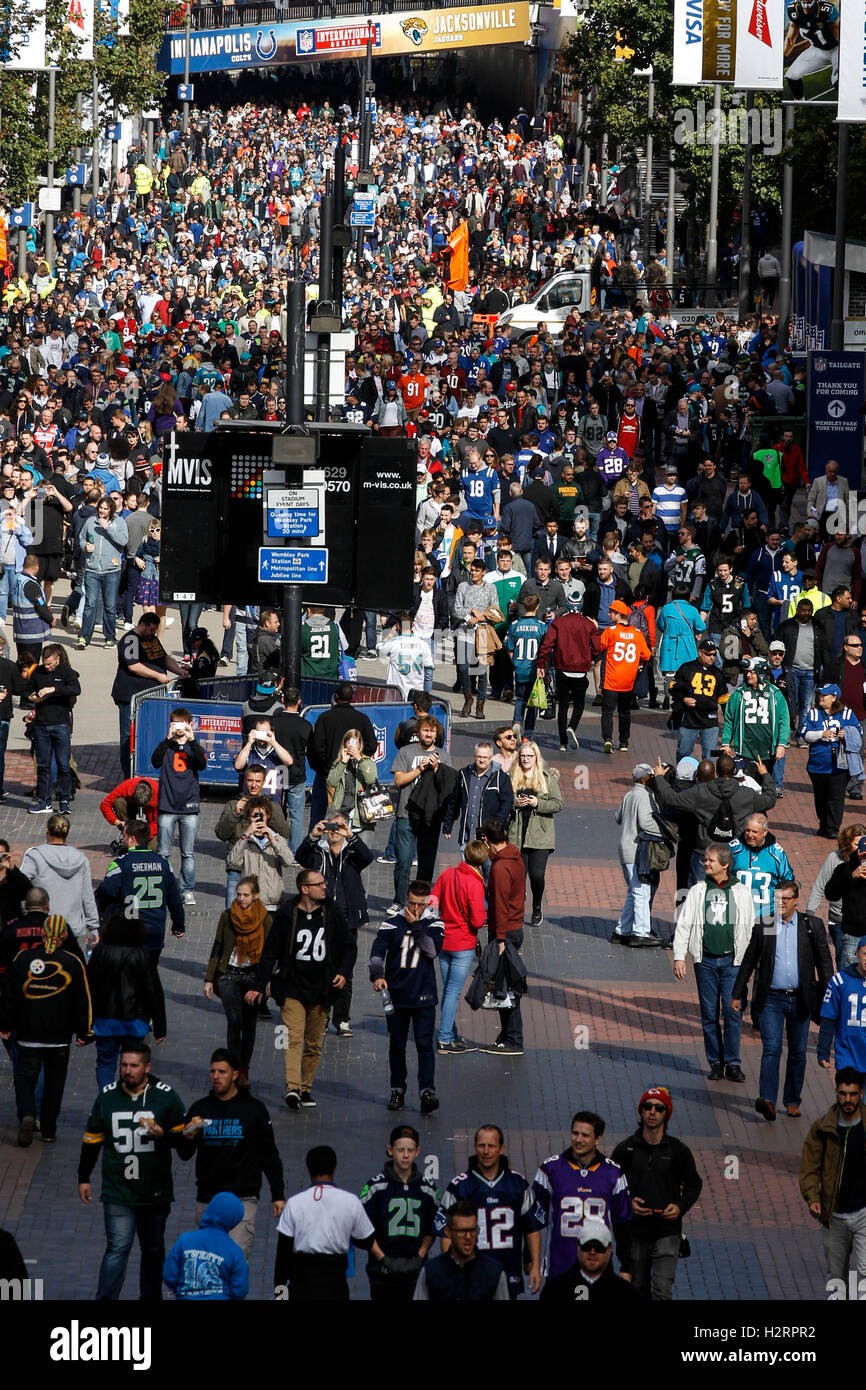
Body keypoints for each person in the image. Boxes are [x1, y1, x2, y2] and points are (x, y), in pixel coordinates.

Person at [77, 1039, 186, 1301]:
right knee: (117, 1249)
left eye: (134, 1066)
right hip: (118, 1190)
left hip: (154, 1191)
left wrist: (163, 1136)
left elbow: (183, 1146)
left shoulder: (166, 1096)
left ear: (147, 1067)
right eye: (124, 1065)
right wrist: (84, 1176)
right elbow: (92, 1139)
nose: (127, 1070)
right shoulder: (107, 1096)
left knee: (153, 1251)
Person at [246, 867, 355, 1111]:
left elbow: (349, 946)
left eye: (324, 883)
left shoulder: (332, 912)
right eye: (319, 884)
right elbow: (270, 952)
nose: (324, 887)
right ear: (305, 889)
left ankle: (305, 1088)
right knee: (292, 1039)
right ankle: (292, 1088)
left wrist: (343, 972)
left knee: (314, 1043)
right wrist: (259, 984)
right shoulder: (287, 914)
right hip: (292, 987)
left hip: (321, 989)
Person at [731, 881, 832, 1121]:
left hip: (801, 999)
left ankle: (792, 1100)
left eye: (786, 899)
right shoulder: (765, 924)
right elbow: (749, 960)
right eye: (778, 899)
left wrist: (829, 997)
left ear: (796, 900)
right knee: (772, 1048)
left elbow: (824, 965)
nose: (782, 903)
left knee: (797, 1052)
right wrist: (738, 993)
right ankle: (768, 1100)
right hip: (771, 1000)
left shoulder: (812, 926)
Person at [175, 1049, 285, 1259]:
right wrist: (187, 1136)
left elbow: (268, 1154)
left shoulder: (254, 1109)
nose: (216, 1077)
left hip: (242, 1200)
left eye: (222, 1072)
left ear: (235, 1074)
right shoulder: (200, 1109)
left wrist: (277, 1193)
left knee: (234, 1260)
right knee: (209, 1263)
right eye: (212, 1072)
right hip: (208, 1200)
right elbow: (184, 1154)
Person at [0, 912, 92, 1146]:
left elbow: (10, 994)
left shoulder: (23, 957)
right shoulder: (73, 962)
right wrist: (85, 1032)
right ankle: (49, 1128)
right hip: (59, 1037)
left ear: (42, 932)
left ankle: (28, 1113)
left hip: (28, 1033)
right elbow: (83, 1001)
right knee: (55, 1082)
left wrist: (5, 1024)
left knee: (25, 1077)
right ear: (63, 936)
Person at [611, 1087, 703, 1301]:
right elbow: (610, 1187)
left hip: (667, 1232)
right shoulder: (625, 1149)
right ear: (641, 1111)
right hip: (634, 1231)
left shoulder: (678, 1151)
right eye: (647, 1107)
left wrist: (680, 1207)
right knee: (636, 1288)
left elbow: (694, 1184)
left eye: (658, 1108)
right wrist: (628, 1202)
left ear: (666, 1114)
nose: (652, 1112)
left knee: (662, 1291)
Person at [672, 843, 755, 1082]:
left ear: (725, 865)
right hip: (705, 963)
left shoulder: (740, 892)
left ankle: (733, 1063)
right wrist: (680, 956)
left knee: (732, 1012)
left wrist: (747, 965)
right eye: (706, 860)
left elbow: (749, 929)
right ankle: (715, 1062)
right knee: (709, 1014)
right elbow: (685, 923)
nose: (705, 863)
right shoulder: (698, 890)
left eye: (710, 860)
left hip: (732, 963)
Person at [435, 1123, 543, 1299]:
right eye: (481, 1145)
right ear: (475, 1147)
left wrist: (535, 1265)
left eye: (491, 1146)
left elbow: (532, 1228)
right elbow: (446, 1233)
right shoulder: (460, 1186)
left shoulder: (517, 1184)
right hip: (470, 1273)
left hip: (507, 1271)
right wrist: (451, 1269)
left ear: (501, 1149)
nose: (486, 1151)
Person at [296, 813, 374, 1039]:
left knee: (344, 972)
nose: (333, 831)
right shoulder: (317, 852)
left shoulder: (352, 852)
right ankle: (321, 1017)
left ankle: (342, 1019)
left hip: (348, 919)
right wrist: (312, 835)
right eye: (331, 827)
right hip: (321, 919)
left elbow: (367, 857)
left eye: (338, 827)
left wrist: (351, 836)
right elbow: (300, 857)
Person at [369, 879, 444, 1114]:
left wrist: (416, 926)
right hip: (397, 996)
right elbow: (376, 954)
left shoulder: (435, 923)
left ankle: (426, 1091)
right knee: (397, 1045)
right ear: (406, 899)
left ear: (428, 902)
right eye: (412, 903)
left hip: (424, 996)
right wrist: (377, 976)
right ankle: (397, 1089)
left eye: (421, 905)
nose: (415, 910)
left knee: (424, 1045)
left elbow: (432, 951)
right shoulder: (391, 924)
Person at [274, 1144, 384, 1301]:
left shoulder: (294, 1203)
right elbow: (367, 1240)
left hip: (301, 1285)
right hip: (336, 1285)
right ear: (335, 1169)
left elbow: (282, 1258)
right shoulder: (350, 1201)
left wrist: (280, 1295)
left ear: (307, 1169)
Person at [533, 1111, 633, 1282]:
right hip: (559, 1267)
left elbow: (622, 1223)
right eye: (575, 1133)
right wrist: (531, 1260)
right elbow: (532, 1221)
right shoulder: (550, 1169)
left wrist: (627, 1266)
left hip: (599, 1269)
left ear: (597, 1139)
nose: (578, 1139)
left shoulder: (613, 1173)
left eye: (585, 1135)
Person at [799, 1069, 866, 1291]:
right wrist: (812, 1197)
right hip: (834, 1216)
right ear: (836, 1092)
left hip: (863, 1213)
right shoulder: (824, 1127)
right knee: (837, 1279)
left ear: (861, 1094)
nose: (848, 1099)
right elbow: (809, 1165)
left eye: (853, 1094)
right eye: (843, 1094)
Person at [204, 879, 274, 1086]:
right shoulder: (227, 917)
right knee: (234, 1022)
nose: (241, 899)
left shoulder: (266, 919)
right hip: (229, 976)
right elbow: (217, 946)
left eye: (245, 895)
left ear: (255, 896)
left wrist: (267, 979)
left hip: (253, 975)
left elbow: (271, 952)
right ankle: (233, 1069)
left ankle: (244, 1069)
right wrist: (209, 978)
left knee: (249, 1024)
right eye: (239, 895)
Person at [87, 911, 166, 1091]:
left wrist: (84, 1024)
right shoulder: (142, 953)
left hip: (105, 1020)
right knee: (132, 1063)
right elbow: (153, 990)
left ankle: (106, 1100)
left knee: (106, 1063)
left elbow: (90, 987)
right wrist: (160, 1026)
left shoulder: (100, 951)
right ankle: (128, 1101)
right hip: (135, 1020)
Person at [360, 1125, 439, 1301]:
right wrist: (383, 1259)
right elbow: (363, 1230)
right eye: (400, 1150)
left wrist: (419, 1256)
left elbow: (432, 1228)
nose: (405, 1155)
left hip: (415, 1271)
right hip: (382, 1273)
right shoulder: (375, 1187)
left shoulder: (428, 1189)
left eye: (410, 1150)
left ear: (417, 1151)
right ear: (390, 1150)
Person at [389, 714, 453, 916]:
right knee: (404, 861)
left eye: (432, 731)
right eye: (425, 730)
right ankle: (399, 901)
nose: (429, 734)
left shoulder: (443, 756)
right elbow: (399, 781)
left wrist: (436, 769)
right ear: (418, 732)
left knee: (426, 863)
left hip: (430, 817)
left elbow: (449, 788)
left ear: (437, 734)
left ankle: (421, 902)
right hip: (406, 814)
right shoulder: (406, 752)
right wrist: (419, 768)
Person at [111, 613, 187, 778]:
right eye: (151, 629)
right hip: (130, 695)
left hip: (151, 697)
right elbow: (134, 666)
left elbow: (164, 657)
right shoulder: (131, 639)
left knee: (149, 732)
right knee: (127, 735)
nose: (153, 633)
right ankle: (127, 772)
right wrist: (158, 676)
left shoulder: (151, 639)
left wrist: (180, 671)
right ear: (143, 625)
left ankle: (147, 767)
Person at [432, 840, 487, 1054]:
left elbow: (433, 899)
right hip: (463, 944)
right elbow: (477, 921)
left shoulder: (448, 875)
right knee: (453, 992)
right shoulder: (475, 883)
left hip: (444, 940)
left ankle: (451, 1033)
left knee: (448, 991)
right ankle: (445, 1038)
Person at [478, 816, 527, 1056]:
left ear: (486, 840)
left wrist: (498, 939)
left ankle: (514, 1040)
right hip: (515, 927)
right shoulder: (515, 858)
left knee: (505, 989)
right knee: (504, 986)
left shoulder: (499, 868)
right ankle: (506, 1035)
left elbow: (499, 904)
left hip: (504, 932)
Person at [151, 706, 207, 907]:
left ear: (189, 725)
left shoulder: (194, 746)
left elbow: (202, 764)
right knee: (163, 852)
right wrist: (168, 739)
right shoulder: (167, 746)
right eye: (175, 724)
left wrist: (192, 740)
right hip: (167, 805)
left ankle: (187, 889)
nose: (179, 729)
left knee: (188, 853)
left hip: (189, 807)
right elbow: (155, 761)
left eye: (182, 724)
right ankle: (162, 887)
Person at [20, 812, 99, 953]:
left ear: (47, 831)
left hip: (44, 929)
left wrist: (25, 915)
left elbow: (21, 887)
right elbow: (87, 897)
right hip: (72, 930)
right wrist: (93, 927)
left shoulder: (35, 855)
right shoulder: (80, 858)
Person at [306, 682, 378, 828]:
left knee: (319, 817)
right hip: (350, 775)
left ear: (336, 697)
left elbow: (315, 748)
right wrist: (357, 760)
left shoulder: (325, 718)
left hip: (329, 774)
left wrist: (325, 769)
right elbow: (371, 746)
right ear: (352, 698)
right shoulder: (362, 718)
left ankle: (313, 846)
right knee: (350, 816)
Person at [508, 740, 562, 927]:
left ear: (536, 757)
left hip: (540, 837)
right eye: (522, 756)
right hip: (516, 835)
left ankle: (537, 905)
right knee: (518, 878)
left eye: (529, 756)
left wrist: (537, 803)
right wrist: (514, 804)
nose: (526, 759)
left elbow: (557, 804)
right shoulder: (511, 776)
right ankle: (517, 911)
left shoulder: (547, 778)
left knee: (537, 875)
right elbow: (502, 801)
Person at [612, 764, 665, 948]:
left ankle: (622, 930)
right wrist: (664, 831)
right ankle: (640, 932)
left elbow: (617, 817)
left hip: (624, 847)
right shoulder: (644, 795)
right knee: (642, 891)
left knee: (633, 892)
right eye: (650, 775)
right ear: (644, 778)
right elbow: (645, 821)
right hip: (636, 849)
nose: (652, 778)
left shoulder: (629, 794)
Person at [538, 602, 603, 750]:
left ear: (567, 606)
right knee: (579, 703)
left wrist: (541, 664)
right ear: (581, 607)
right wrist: (588, 657)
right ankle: (572, 726)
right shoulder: (588, 624)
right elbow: (598, 647)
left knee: (563, 705)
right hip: (580, 670)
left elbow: (547, 645)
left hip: (562, 669)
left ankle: (562, 742)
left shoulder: (558, 622)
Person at [413, 1201, 510, 1300]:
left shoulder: (494, 1273)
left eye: (472, 1230)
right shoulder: (430, 1272)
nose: (468, 1237)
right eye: (462, 1231)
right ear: (448, 1232)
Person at [802, 684, 863, 841]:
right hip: (817, 765)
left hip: (840, 765)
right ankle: (824, 824)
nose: (820, 697)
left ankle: (833, 828)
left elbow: (859, 732)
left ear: (834, 697)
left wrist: (846, 734)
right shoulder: (814, 713)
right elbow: (805, 734)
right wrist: (821, 734)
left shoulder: (847, 713)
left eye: (824, 695)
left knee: (836, 798)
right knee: (821, 798)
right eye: (820, 694)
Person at [162, 1193, 249, 1301]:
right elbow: (240, 1288)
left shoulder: (185, 1240)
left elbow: (169, 1274)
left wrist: (180, 1291)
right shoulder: (233, 1250)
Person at [25, 644, 80, 815]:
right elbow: (27, 691)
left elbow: (76, 689)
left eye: (49, 664)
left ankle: (64, 800)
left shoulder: (66, 672)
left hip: (60, 724)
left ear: (57, 659)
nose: (46, 667)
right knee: (43, 764)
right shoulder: (38, 672)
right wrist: (34, 697)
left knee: (63, 764)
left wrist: (54, 689)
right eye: (45, 663)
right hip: (41, 724)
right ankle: (44, 801)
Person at [539, 1219, 640, 1303]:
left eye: (599, 1248)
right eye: (587, 1247)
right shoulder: (554, 1291)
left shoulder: (626, 1293)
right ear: (578, 1247)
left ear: (609, 1249)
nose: (592, 1252)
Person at [599, 599, 651, 755]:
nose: (609, 614)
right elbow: (647, 655)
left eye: (611, 612)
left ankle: (608, 739)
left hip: (611, 680)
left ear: (618, 614)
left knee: (607, 711)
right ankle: (623, 742)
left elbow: (599, 646)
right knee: (625, 712)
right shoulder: (637, 633)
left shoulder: (610, 631)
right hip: (628, 681)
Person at [442, 741, 513, 851]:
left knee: (489, 868)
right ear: (474, 756)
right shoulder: (464, 774)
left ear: (491, 757)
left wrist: (495, 827)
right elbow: (454, 801)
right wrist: (448, 825)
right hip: (467, 837)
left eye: (485, 757)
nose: (482, 760)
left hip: (489, 839)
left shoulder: (501, 777)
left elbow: (507, 804)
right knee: (467, 868)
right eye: (479, 756)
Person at [225, 797, 293, 911]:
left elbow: (289, 861)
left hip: (273, 905)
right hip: (250, 905)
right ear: (249, 818)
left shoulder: (276, 838)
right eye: (253, 816)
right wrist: (246, 835)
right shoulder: (245, 840)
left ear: (267, 816)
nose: (258, 819)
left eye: (261, 815)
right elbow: (232, 861)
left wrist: (272, 839)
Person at [77, 496, 128, 649]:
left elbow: (124, 541)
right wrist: (85, 546)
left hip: (111, 570)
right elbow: (81, 538)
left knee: (110, 605)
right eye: (100, 507)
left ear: (111, 510)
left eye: (105, 508)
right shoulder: (90, 522)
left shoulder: (119, 522)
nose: (102, 511)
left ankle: (110, 637)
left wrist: (108, 529)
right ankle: (84, 637)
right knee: (90, 604)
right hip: (92, 569)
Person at [721, 659, 790, 768]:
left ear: (761, 673)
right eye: (747, 672)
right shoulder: (739, 694)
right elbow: (729, 720)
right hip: (745, 751)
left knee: (766, 783)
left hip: (768, 752)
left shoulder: (775, 694)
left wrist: (781, 744)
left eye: (752, 672)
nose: (748, 675)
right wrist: (726, 742)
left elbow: (784, 720)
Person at [729, 814, 795, 926]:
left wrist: (781, 910)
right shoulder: (734, 849)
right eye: (747, 830)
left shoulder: (776, 853)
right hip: (737, 914)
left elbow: (787, 882)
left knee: (767, 943)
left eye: (755, 832)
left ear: (765, 832)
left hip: (767, 916)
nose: (750, 835)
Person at [817, 937, 866, 1075]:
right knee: (848, 1096)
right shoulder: (840, 981)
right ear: (857, 953)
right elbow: (828, 1017)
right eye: (865, 953)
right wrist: (823, 1051)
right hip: (848, 1055)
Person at [669, 640, 725, 761]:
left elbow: (724, 700)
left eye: (714, 654)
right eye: (708, 654)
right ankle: (682, 778)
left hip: (710, 722)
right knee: (683, 753)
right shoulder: (686, 668)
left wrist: (728, 725)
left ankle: (708, 779)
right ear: (700, 652)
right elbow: (673, 688)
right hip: (689, 720)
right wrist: (684, 699)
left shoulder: (718, 673)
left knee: (711, 756)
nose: (712, 658)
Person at [326, 728, 379, 834]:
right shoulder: (339, 763)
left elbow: (371, 779)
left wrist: (359, 759)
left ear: (359, 745)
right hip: (340, 814)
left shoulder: (367, 762)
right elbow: (331, 781)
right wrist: (342, 762)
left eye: (354, 744)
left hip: (363, 815)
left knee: (363, 850)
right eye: (348, 745)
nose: (351, 748)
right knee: (337, 849)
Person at [12, 553, 54, 665]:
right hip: (32, 633)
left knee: (22, 664)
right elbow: (41, 606)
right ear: (36, 566)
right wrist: (51, 619)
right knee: (31, 665)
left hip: (20, 631)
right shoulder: (30, 584)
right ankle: (27, 683)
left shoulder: (18, 579)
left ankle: (19, 682)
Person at [99, 775, 159, 848]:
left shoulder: (159, 793)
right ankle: (127, 832)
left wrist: (142, 837)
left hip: (151, 823)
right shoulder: (127, 785)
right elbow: (105, 804)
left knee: (152, 848)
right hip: (131, 811)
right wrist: (116, 822)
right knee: (119, 802)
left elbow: (157, 822)